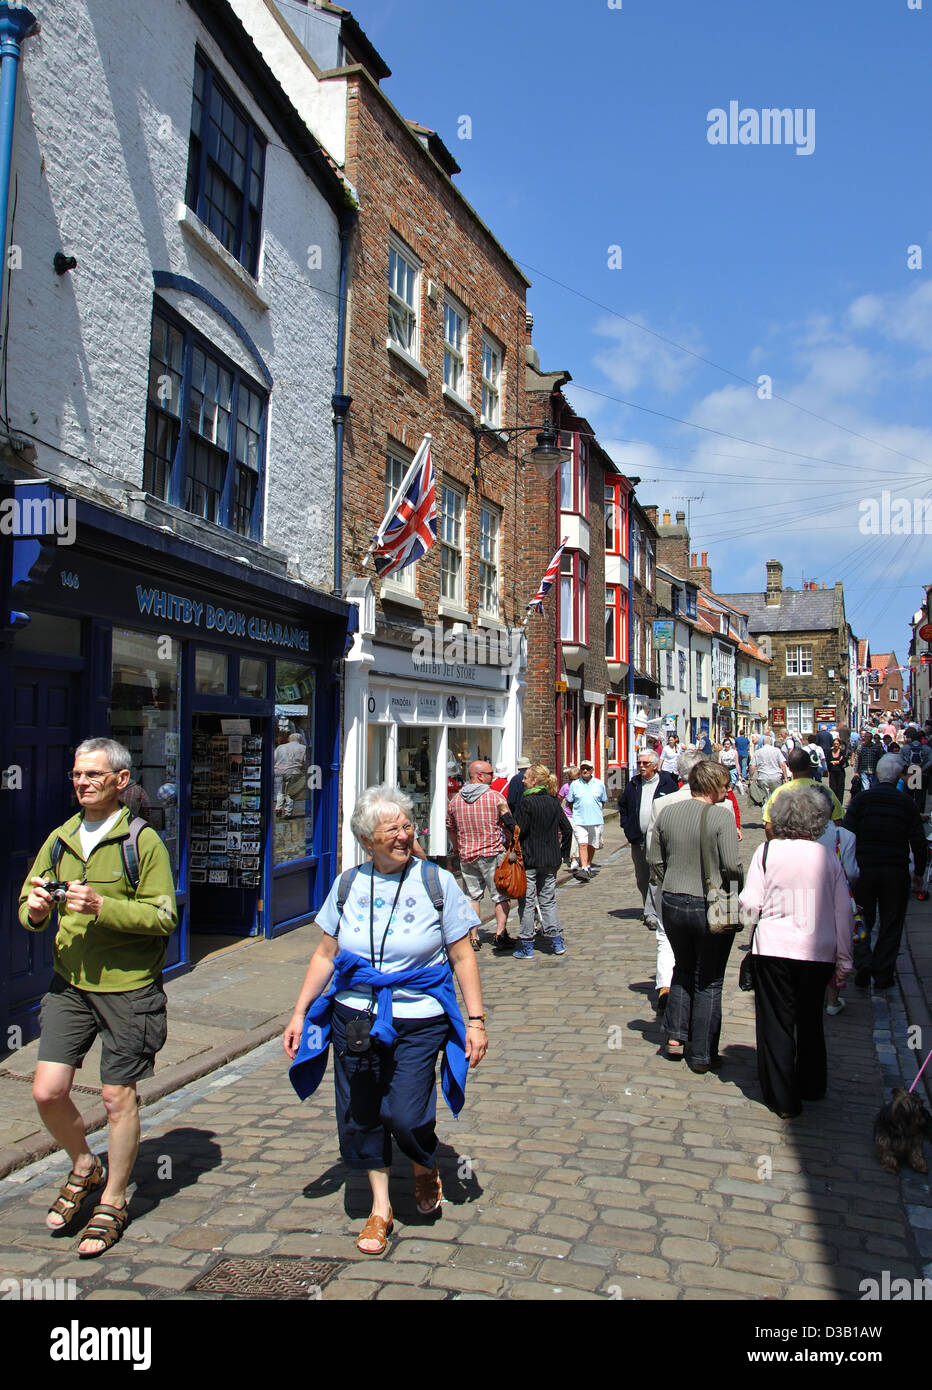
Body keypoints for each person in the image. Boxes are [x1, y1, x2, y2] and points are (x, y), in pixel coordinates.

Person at [284, 786, 486, 1255]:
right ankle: (380, 1208)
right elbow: (325, 953)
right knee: (363, 1110)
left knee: (406, 1113)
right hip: (354, 1017)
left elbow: (461, 956)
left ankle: (421, 1160)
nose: (402, 835)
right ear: (366, 840)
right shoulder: (348, 884)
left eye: (406, 826)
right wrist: (298, 1014)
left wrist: (474, 1020)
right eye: (390, 829)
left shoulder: (438, 883)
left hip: (421, 1015)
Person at [18, 737, 177, 1257]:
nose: (82, 783)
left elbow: (163, 916)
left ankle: (113, 1198)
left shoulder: (142, 842)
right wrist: (37, 909)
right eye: (77, 776)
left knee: (115, 1097)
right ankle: (85, 1164)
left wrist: (103, 906)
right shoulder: (61, 839)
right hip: (70, 984)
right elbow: (28, 900)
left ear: (120, 781)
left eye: (93, 775)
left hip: (128, 989)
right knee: (47, 1090)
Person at [739, 786, 854, 1118]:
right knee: (810, 1019)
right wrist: (844, 960)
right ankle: (812, 1084)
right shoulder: (827, 857)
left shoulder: (766, 852)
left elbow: (749, 905)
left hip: (773, 949)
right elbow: (843, 912)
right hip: (817, 951)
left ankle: (783, 1096)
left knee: (776, 1021)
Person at [648, 760, 743, 1073]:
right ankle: (702, 1053)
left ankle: (675, 1038)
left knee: (683, 968)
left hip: (673, 899)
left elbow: (654, 859)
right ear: (713, 785)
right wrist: (734, 886)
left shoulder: (668, 812)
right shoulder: (721, 815)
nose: (728, 791)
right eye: (725, 785)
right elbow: (731, 865)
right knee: (710, 980)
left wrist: (670, 881)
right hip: (710, 902)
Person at [844, 754, 928, 991]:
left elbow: (848, 836)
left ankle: (862, 961)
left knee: (860, 919)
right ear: (898, 776)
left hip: (864, 870)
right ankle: (882, 972)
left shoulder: (861, 800)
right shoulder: (906, 803)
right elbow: (918, 841)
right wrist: (919, 872)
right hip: (894, 870)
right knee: (891, 923)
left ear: (879, 774)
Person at [646, 748, 706, 1012]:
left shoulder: (662, 803)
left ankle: (665, 986)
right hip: (706, 886)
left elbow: (651, 849)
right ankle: (696, 990)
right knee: (704, 941)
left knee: (665, 935)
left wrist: (660, 879)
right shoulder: (718, 803)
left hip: (668, 882)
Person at [446, 760, 516, 952]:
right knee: (500, 895)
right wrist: (509, 843)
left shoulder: (457, 799)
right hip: (492, 852)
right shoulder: (495, 797)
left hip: (467, 854)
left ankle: (474, 937)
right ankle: (500, 933)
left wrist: (457, 847)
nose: (492, 777)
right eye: (490, 773)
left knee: (472, 897)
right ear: (479, 776)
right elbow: (507, 823)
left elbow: (450, 826)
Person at [511, 765, 574, 958]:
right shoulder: (554, 802)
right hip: (551, 860)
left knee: (527, 902)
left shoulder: (527, 803)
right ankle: (556, 943)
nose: (523, 780)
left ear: (534, 782)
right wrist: (562, 854)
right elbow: (568, 829)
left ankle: (526, 946)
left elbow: (519, 831)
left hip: (530, 859)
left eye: (526, 777)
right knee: (548, 901)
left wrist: (507, 817)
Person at [619, 750, 678, 920]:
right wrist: (627, 826)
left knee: (656, 876)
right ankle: (649, 906)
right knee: (641, 877)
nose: (641, 767)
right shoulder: (634, 784)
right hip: (638, 838)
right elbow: (623, 806)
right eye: (639, 763)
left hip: (660, 839)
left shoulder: (667, 784)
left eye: (645, 763)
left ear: (655, 765)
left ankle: (652, 912)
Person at [763, 749, 844, 837]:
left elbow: (769, 827)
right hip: (819, 844)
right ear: (809, 766)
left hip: (788, 844)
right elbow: (837, 822)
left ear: (789, 768)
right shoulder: (825, 791)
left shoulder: (779, 792)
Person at [565, 760, 608, 880]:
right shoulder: (575, 785)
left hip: (595, 820)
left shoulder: (599, 784)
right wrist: (577, 813)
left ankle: (588, 864)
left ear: (592, 770)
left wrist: (596, 810)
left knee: (592, 844)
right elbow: (570, 802)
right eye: (583, 768)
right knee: (582, 844)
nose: (585, 771)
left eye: (587, 769)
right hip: (579, 820)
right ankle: (584, 868)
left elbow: (603, 801)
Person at [827, 735, 848, 807]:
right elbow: (828, 761)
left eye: (837, 744)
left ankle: (839, 804)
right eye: (834, 744)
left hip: (840, 773)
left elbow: (844, 761)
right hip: (832, 773)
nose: (836, 745)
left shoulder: (842, 752)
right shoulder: (830, 752)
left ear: (839, 745)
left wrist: (836, 762)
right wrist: (836, 761)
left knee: (840, 788)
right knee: (833, 788)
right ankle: (833, 803)